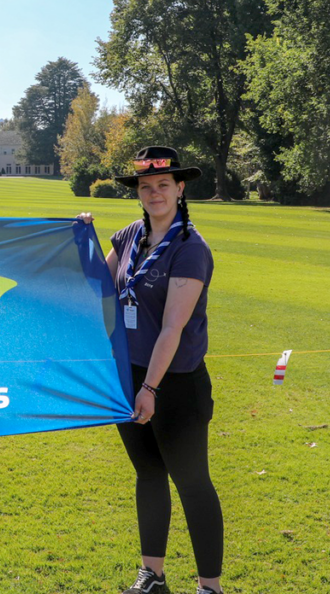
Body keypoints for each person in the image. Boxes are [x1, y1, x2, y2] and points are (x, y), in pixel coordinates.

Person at [80, 146, 224, 594]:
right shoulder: (128, 236)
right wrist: (82, 240)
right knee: (148, 475)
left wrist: (150, 388)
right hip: (130, 378)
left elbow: (172, 329)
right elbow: (98, 288)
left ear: (180, 189)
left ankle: (209, 587)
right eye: (146, 186)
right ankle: (152, 576)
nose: (154, 193)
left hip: (173, 385)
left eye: (163, 184)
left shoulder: (190, 248)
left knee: (192, 483)